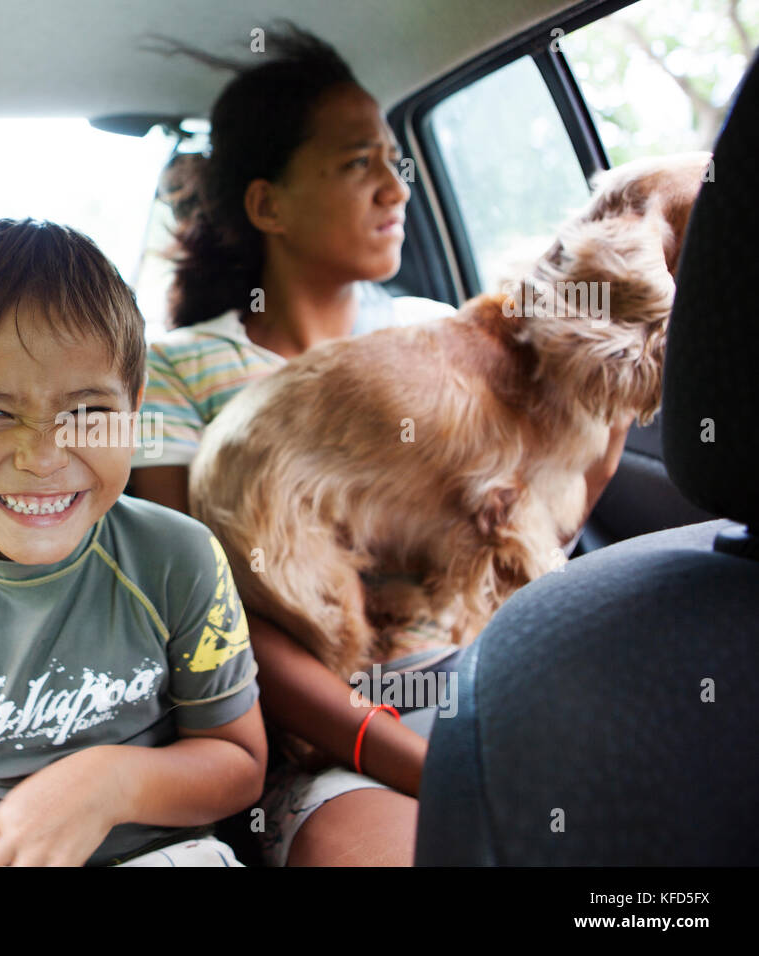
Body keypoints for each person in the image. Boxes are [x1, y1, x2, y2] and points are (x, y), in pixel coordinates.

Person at [130, 25, 632, 865]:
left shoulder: (439, 335)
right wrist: (408, 758)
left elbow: (526, 535)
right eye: (355, 163)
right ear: (268, 205)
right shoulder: (179, 372)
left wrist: (605, 407)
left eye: (395, 160)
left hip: (491, 681)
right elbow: (213, 619)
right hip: (321, 740)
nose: (393, 188)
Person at [0, 218, 265, 866]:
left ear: (134, 413)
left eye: (88, 412)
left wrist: (109, 786)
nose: (43, 456)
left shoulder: (179, 559)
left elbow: (239, 763)